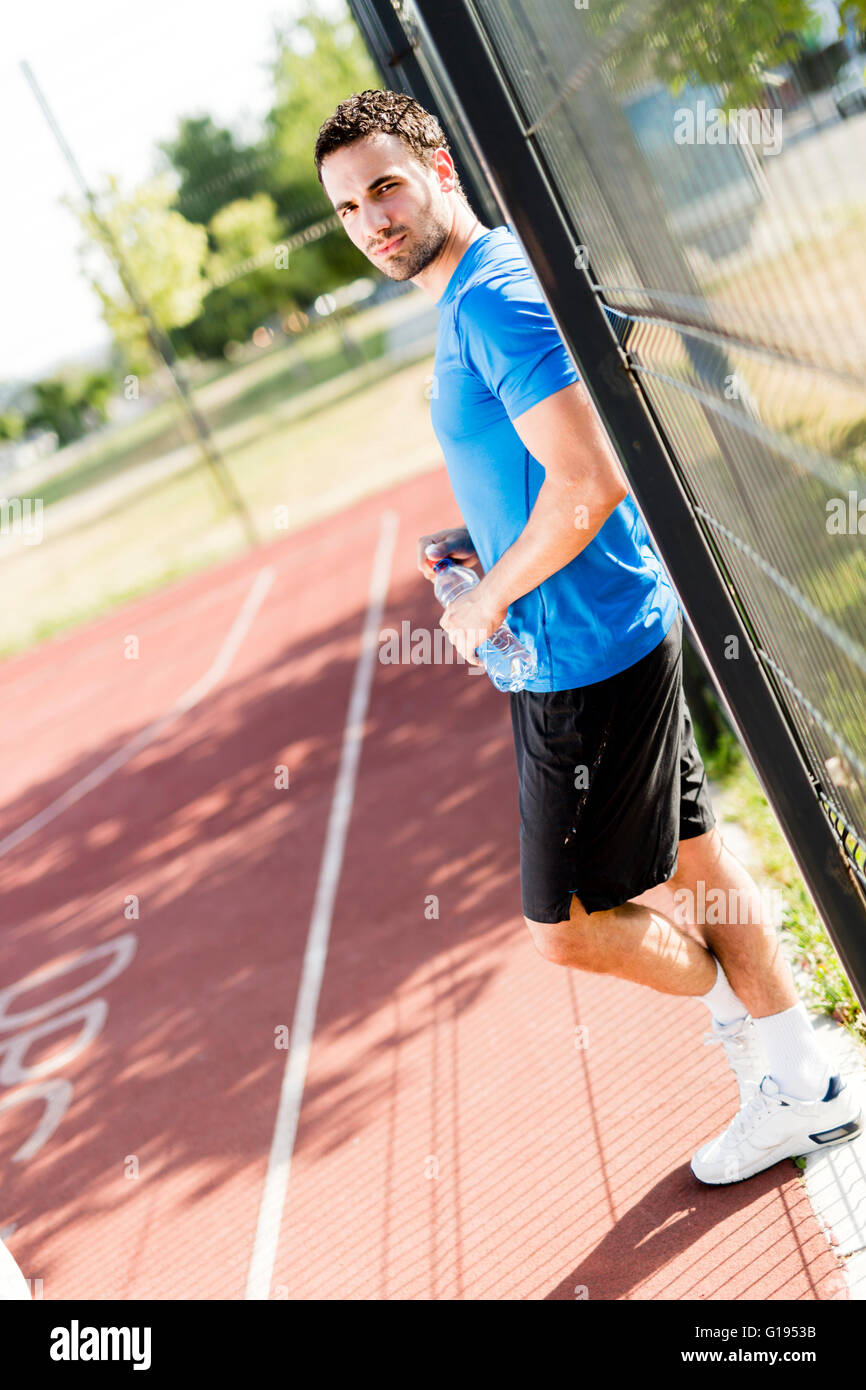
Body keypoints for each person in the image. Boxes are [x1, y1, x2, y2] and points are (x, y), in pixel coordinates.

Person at [313, 87, 862, 1184]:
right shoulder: (474, 287)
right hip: (590, 624)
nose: (371, 216)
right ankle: (799, 1073)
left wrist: (483, 600)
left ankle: (755, 1042)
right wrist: (484, 550)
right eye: (346, 207)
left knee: (562, 923)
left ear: (440, 171)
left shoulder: (492, 299)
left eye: (385, 184)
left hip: (583, 647)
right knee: (696, 855)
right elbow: (542, 476)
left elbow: (587, 475)